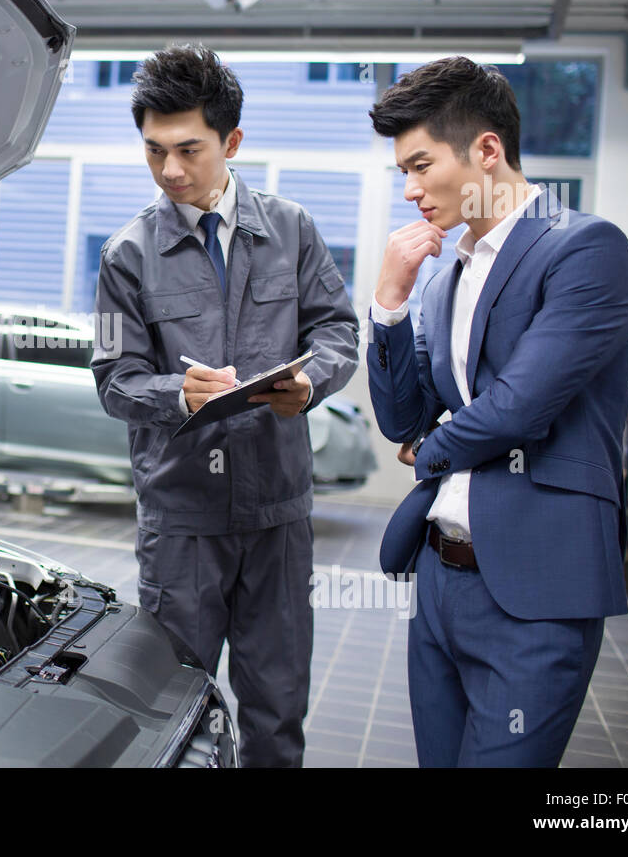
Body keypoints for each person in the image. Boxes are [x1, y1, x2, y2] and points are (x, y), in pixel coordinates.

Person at [365, 56, 628, 766]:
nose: (410, 190)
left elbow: (518, 407)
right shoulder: (444, 274)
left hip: (535, 590)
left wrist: (435, 448)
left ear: (487, 150)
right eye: (404, 171)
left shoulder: (584, 248)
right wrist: (390, 300)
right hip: (440, 580)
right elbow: (402, 419)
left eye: (421, 165)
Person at [90, 44, 359, 767]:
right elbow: (114, 378)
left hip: (277, 513)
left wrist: (310, 384)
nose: (170, 170)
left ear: (232, 142)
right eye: (153, 151)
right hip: (183, 523)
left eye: (189, 150)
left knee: (277, 705)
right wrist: (175, 393)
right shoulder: (125, 256)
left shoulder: (292, 230)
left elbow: (337, 329)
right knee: (171, 708)